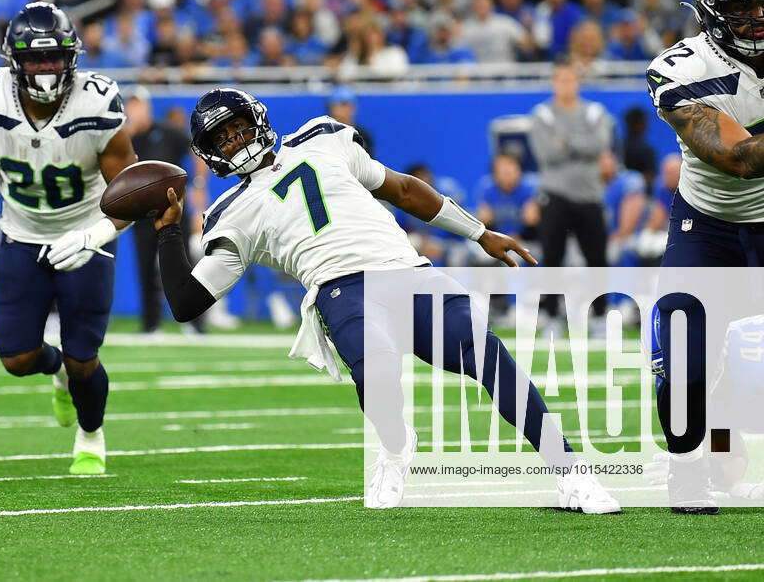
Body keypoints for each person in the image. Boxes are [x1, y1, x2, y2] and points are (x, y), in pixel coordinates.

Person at [146, 88, 619, 514]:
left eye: (237, 126)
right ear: (211, 153)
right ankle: (394, 450)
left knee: (486, 352)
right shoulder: (232, 213)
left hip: (406, 270)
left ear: (258, 118)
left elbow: (404, 190)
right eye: (222, 137)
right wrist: (167, 231)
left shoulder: (322, 136)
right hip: (339, 288)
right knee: (378, 371)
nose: (236, 139)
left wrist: (479, 233)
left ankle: (570, 472)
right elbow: (187, 302)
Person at [0, 3, 136, 475]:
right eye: (35, 59)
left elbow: (130, 188)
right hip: (22, 236)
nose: (46, 70)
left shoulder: (97, 101)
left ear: (72, 57)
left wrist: (97, 234)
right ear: (13, 60)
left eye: (54, 58)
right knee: (17, 359)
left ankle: (91, 435)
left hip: (86, 234)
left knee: (84, 359)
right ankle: (55, 370)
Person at [645, 0, 764, 513]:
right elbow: (737, 159)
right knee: (687, 357)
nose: (759, 17)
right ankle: (687, 467)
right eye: (746, 7)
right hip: (710, 224)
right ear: (713, 9)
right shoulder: (682, 69)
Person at [528, 60, 614, 327]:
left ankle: (599, 314)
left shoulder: (594, 112)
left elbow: (600, 144)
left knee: (597, 258)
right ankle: (552, 314)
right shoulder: (542, 114)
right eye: (561, 80)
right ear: (555, 83)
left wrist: (566, 140)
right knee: (553, 257)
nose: (566, 85)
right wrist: (581, 144)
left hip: (589, 195)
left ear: (578, 82)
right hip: (555, 194)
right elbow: (546, 154)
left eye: (570, 79)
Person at [123, 85, 207, 334]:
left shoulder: (168, 132)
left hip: (173, 209)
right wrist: (128, 132)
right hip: (141, 212)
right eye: (132, 105)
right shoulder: (126, 138)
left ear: (147, 107)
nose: (136, 109)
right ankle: (151, 326)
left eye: (139, 105)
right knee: (145, 268)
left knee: (185, 266)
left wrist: (199, 186)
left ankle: (196, 324)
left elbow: (197, 152)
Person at [599, 151, 646, 266]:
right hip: (600, 239)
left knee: (620, 250)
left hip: (626, 238)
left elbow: (628, 228)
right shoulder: (590, 185)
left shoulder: (629, 180)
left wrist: (610, 240)